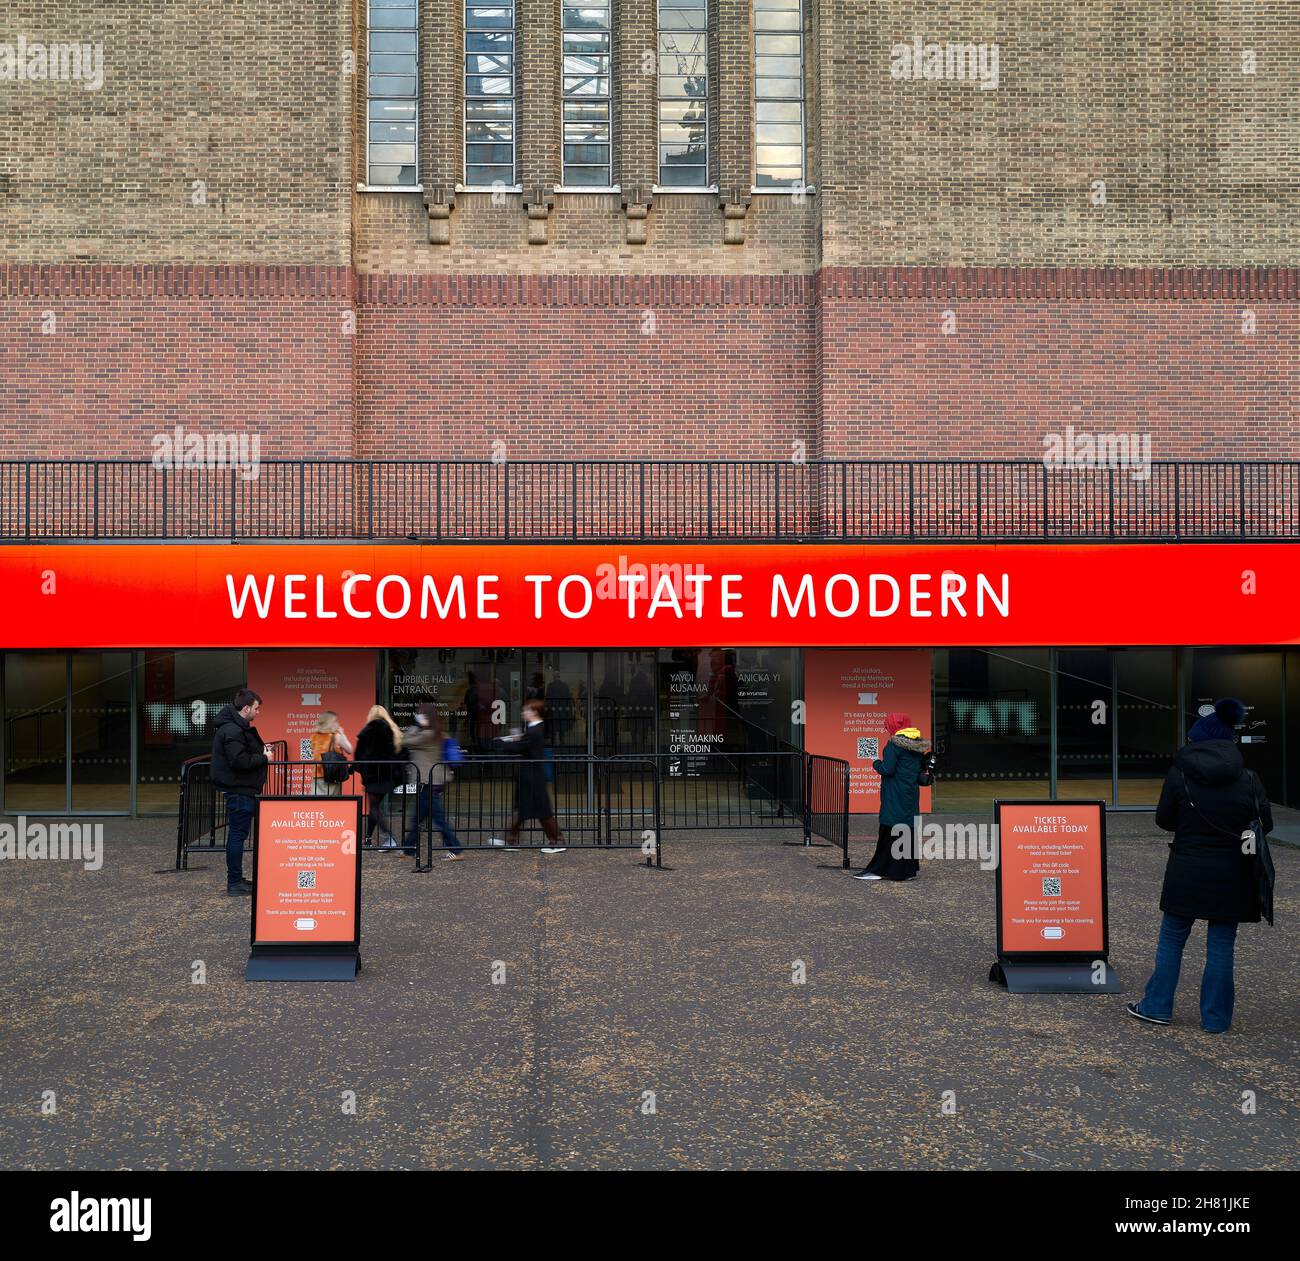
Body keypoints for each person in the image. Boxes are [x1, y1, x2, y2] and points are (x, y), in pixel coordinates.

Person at [1127, 698, 1272, 1034]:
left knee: (1172, 939)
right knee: (1221, 944)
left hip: (1187, 870)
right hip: (1234, 873)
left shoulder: (1179, 774)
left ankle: (1157, 1006)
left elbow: (1164, 820)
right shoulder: (1248, 778)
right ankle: (1216, 1019)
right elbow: (1265, 823)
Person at [853, 711, 930, 882]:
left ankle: (879, 869)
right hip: (910, 795)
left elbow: (887, 769)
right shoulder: (917, 745)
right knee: (907, 831)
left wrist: (875, 761)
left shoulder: (893, 745)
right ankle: (906, 871)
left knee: (889, 831)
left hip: (895, 794)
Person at [209, 688, 269, 897]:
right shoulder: (233, 730)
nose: (257, 712)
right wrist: (264, 758)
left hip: (240, 789)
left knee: (238, 835)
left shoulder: (231, 728)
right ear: (246, 708)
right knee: (237, 836)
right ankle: (234, 882)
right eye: (256, 708)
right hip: (239, 790)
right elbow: (239, 761)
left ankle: (237, 879)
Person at [495, 698, 566, 852]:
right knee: (525, 809)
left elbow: (521, 746)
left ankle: (557, 841)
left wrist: (502, 743)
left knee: (540, 811)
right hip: (531, 775)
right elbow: (524, 744)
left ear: (534, 712)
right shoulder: (535, 728)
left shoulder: (535, 730)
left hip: (532, 776)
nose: (523, 712)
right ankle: (511, 839)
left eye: (526, 710)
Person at [402, 702, 464, 861]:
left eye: (420, 715)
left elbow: (406, 741)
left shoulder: (427, 735)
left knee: (438, 819)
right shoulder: (439, 733)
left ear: (427, 717)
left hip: (428, 781)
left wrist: (415, 726)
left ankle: (455, 849)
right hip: (431, 781)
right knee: (418, 816)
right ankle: (408, 849)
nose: (418, 717)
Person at [354, 704, 406, 848]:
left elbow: (360, 754)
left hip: (373, 775)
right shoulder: (392, 730)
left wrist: (359, 769)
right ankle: (368, 839)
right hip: (388, 775)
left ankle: (389, 838)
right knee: (375, 808)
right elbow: (400, 753)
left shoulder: (368, 731)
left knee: (374, 808)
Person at [308, 711, 353, 796]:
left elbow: (313, 752)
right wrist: (343, 734)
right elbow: (349, 749)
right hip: (331, 774)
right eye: (335, 721)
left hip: (317, 774)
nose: (337, 723)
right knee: (331, 801)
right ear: (330, 723)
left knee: (316, 800)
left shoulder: (313, 736)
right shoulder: (336, 736)